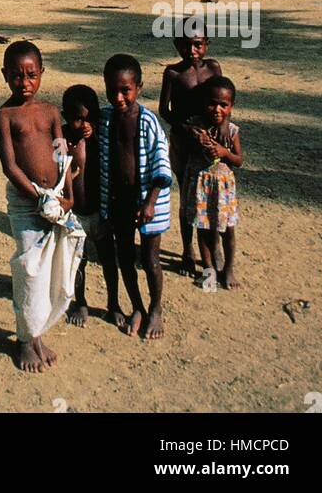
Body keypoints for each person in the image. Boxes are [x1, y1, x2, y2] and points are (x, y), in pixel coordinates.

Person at [0, 40, 82, 373]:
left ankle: (38, 334)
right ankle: (23, 340)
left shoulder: (50, 112)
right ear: (5, 76)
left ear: (42, 73)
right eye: (16, 76)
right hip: (26, 201)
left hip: (57, 198)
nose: (24, 83)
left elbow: (62, 152)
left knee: (48, 269)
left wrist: (68, 194)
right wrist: (38, 197)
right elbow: (10, 166)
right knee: (29, 269)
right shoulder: (4, 115)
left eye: (31, 75)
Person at [99, 54, 171, 340]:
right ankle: (137, 306)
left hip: (147, 202)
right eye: (112, 90)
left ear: (139, 87)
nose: (118, 97)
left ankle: (155, 308)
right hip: (118, 202)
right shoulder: (104, 120)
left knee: (151, 259)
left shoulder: (148, 122)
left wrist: (151, 201)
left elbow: (161, 163)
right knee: (125, 258)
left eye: (125, 90)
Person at [159, 30, 222, 275]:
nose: (192, 51)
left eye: (197, 45)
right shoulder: (173, 73)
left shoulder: (214, 68)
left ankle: (213, 245)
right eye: (185, 46)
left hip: (209, 143)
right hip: (183, 142)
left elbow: (222, 101)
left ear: (207, 43)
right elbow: (164, 109)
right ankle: (187, 249)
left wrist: (220, 131)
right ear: (177, 45)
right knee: (187, 196)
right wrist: (186, 127)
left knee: (211, 196)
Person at [61, 84, 124, 329]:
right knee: (78, 261)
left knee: (109, 259)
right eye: (77, 119)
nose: (85, 125)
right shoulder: (62, 139)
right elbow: (54, 170)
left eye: (90, 118)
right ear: (66, 117)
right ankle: (81, 301)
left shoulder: (100, 139)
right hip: (74, 214)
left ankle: (113, 304)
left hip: (100, 212)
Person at [181, 75, 243, 290]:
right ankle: (208, 271)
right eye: (212, 103)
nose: (217, 109)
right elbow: (183, 137)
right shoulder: (196, 127)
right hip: (201, 187)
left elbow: (239, 160)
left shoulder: (232, 131)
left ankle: (228, 269)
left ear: (231, 107)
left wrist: (225, 152)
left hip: (223, 190)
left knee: (228, 230)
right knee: (203, 229)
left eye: (223, 105)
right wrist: (195, 139)